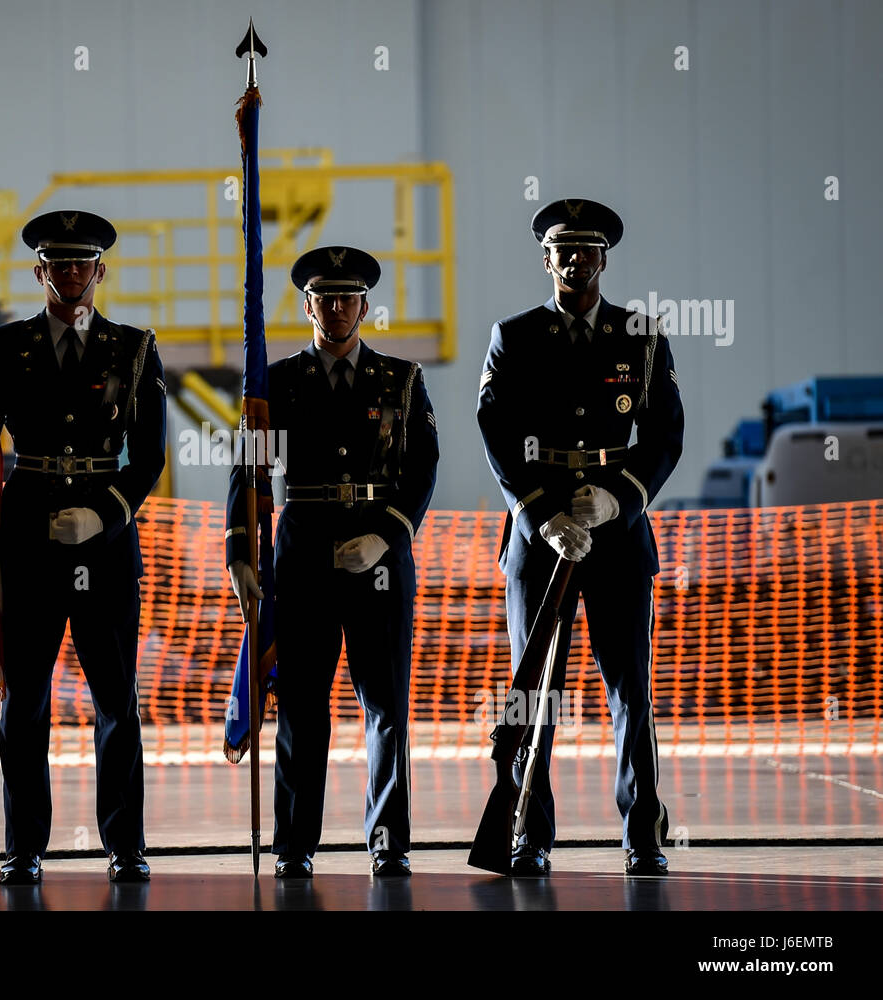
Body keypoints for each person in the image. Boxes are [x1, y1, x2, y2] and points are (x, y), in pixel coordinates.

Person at [0, 210, 166, 884]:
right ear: (39, 271)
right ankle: (24, 847)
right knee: (26, 699)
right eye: (57, 263)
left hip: (104, 543)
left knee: (115, 699)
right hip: (28, 537)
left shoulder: (133, 347)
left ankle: (125, 845)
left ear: (100, 271)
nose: (70, 274)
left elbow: (149, 455)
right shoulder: (1, 348)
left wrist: (104, 515)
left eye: (83, 263)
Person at [476, 199, 684, 877]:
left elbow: (664, 437)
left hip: (617, 536)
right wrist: (543, 516)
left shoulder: (642, 335)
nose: (575, 260)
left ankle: (643, 837)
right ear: (546, 260)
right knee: (538, 693)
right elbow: (497, 434)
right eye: (562, 250)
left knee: (632, 693)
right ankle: (528, 835)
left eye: (587, 250)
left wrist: (615, 500)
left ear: (603, 259)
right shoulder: (513, 337)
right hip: (542, 541)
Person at [226, 246, 439, 878]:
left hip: (378, 553)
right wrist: (243, 551)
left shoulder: (400, 379)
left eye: (348, 297)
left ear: (366, 307)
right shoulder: (277, 381)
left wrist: (389, 534)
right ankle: (294, 845)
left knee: (386, 706)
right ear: (307, 306)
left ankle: (388, 842)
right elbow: (249, 468)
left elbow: (424, 465)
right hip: (303, 553)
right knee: (300, 707)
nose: (337, 307)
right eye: (325, 297)